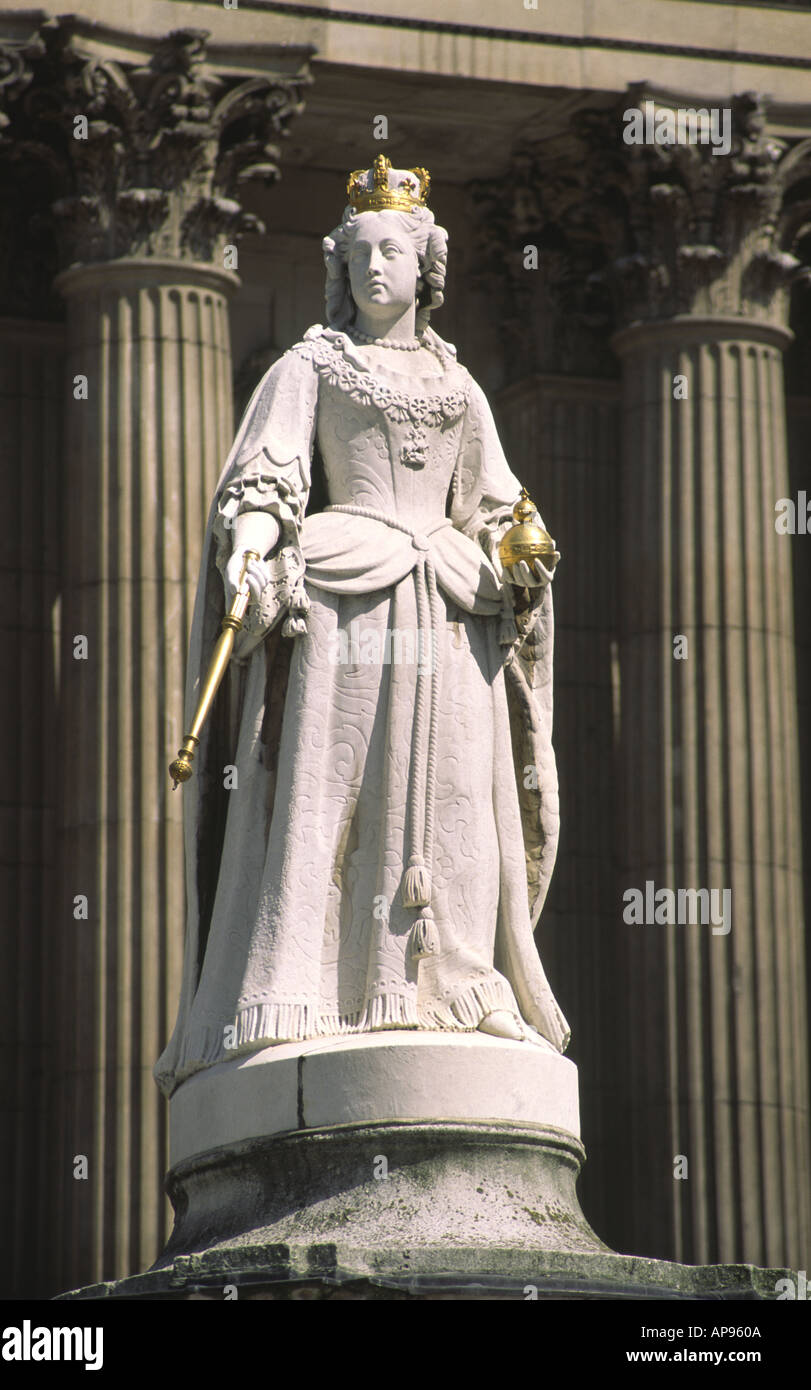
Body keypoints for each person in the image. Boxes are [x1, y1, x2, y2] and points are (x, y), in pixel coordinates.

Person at [154, 156, 569, 1100]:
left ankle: (456, 978)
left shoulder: (461, 388)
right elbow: (266, 477)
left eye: (395, 253)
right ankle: (309, 985)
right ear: (340, 267)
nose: (376, 269)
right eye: (361, 255)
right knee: (334, 792)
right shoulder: (311, 365)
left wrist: (518, 546)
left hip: (447, 605)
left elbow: (498, 502)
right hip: (348, 601)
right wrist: (251, 543)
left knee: (459, 800)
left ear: (426, 266)